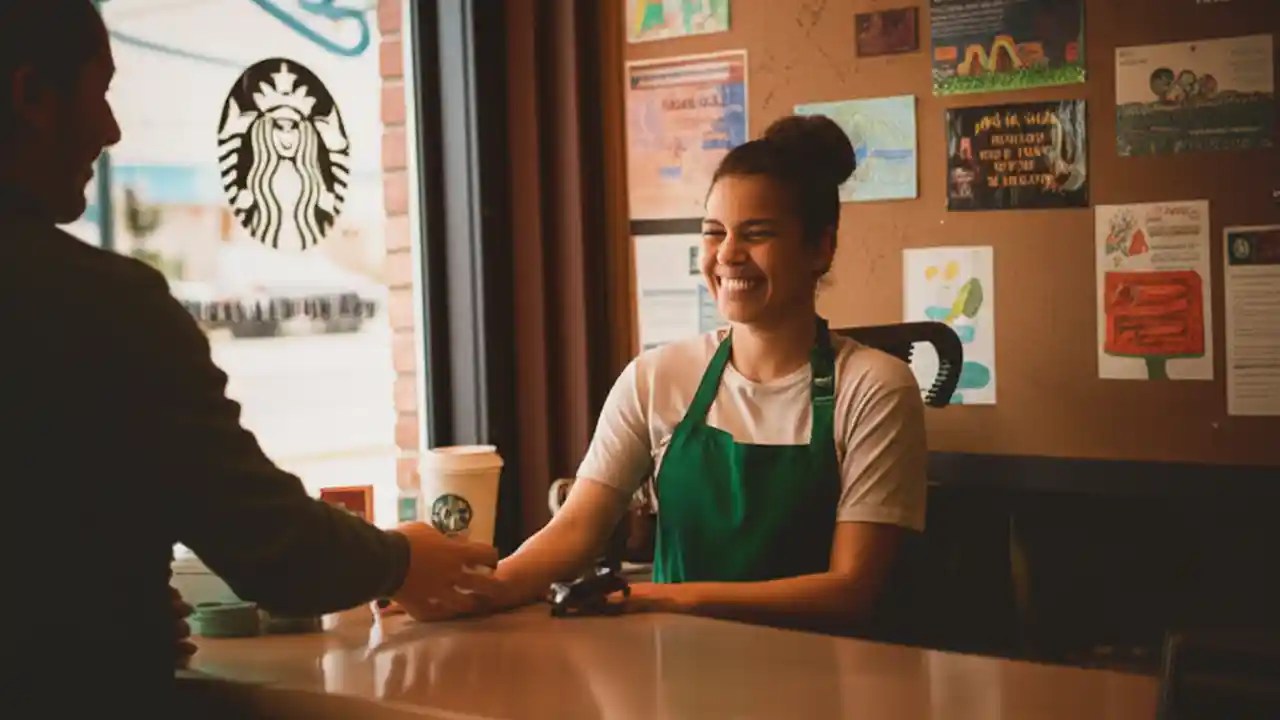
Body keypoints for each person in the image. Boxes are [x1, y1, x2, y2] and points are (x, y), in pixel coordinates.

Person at [0, 0, 497, 705]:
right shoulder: (105, 308)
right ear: (31, 98)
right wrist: (403, 557)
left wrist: (108, 611)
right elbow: (271, 545)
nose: (110, 130)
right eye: (101, 91)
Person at [419, 115, 928, 631]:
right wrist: (484, 590)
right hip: (678, 680)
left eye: (757, 234)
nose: (728, 254)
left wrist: (668, 600)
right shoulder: (658, 377)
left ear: (821, 247)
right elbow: (577, 528)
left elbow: (851, 589)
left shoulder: (874, 388)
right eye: (714, 233)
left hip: (825, 683)